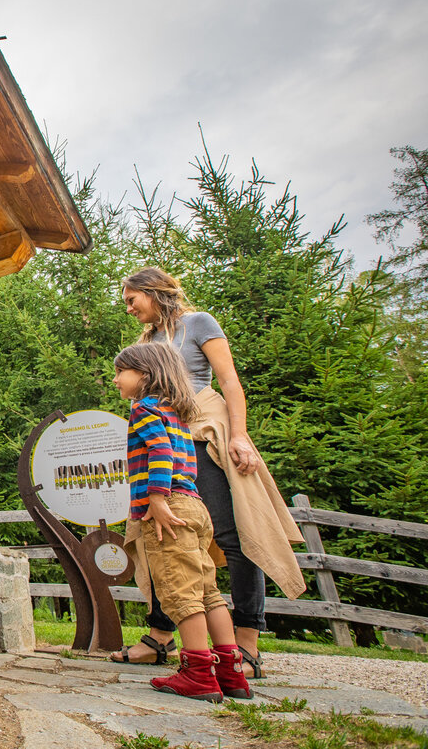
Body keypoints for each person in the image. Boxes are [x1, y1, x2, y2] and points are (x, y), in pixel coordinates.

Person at [113, 267, 305, 677]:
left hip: (203, 434)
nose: (128, 308)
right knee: (159, 534)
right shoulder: (145, 343)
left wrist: (239, 435)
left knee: (234, 534)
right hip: (168, 433)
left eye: (132, 299)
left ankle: (246, 645)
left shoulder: (199, 323)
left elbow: (229, 380)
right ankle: (161, 636)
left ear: (153, 291)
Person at [114, 342, 252, 702]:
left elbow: (159, 451)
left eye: (121, 372)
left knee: (181, 592)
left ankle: (198, 674)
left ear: (145, 374)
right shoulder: (177, 413)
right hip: (194, 505)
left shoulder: (143, 409)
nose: (115, 379)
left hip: (168, 508)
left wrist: (157, 498)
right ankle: (230, 671)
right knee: (208, 592)